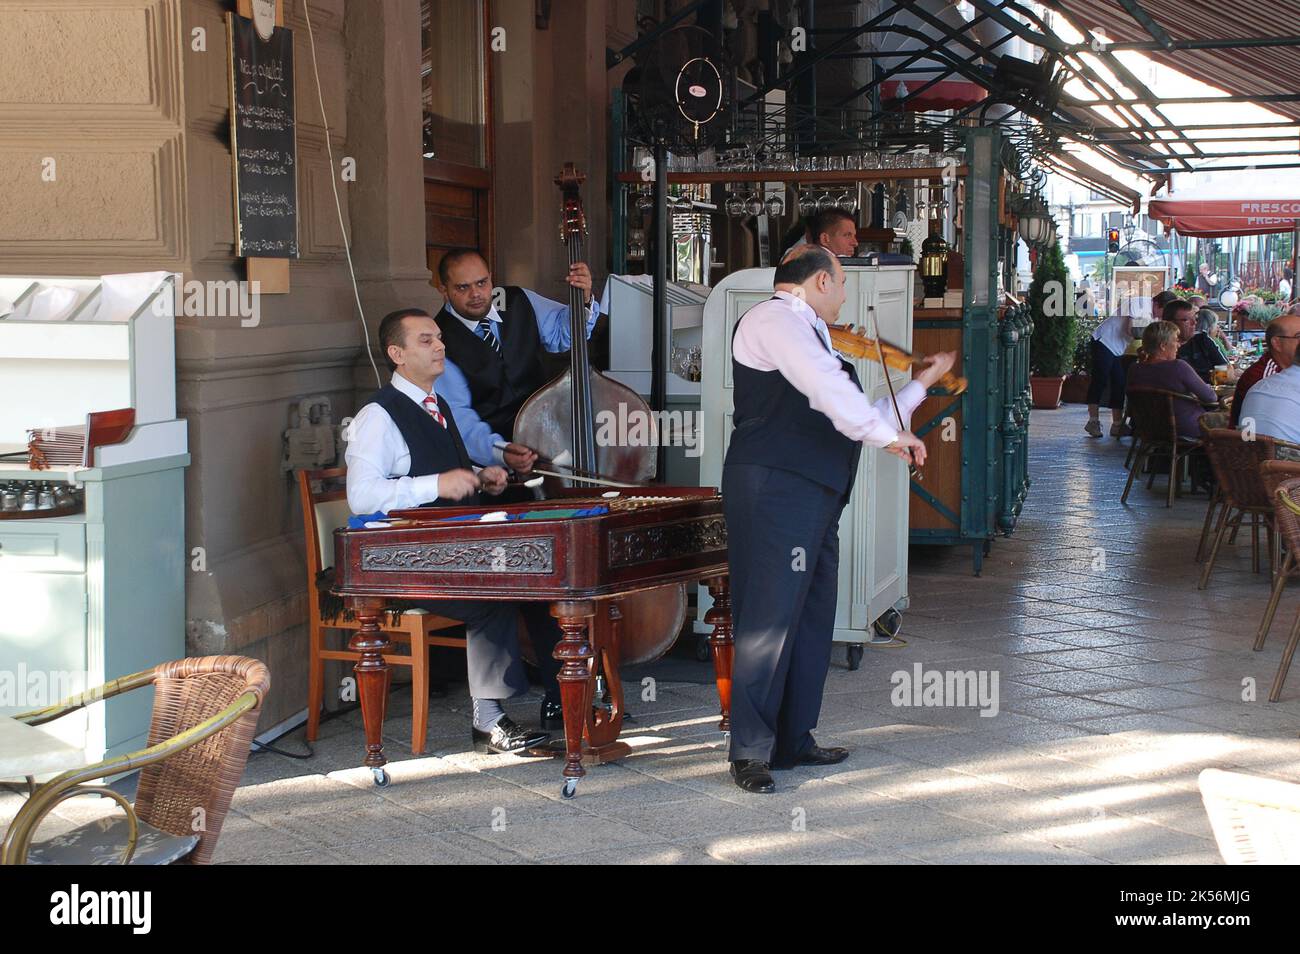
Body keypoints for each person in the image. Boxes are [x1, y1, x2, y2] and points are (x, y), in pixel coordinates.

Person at [721, 244, 951, 794]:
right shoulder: (774, 319)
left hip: (816, 492)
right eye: (843, 282)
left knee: (811, 614)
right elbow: (829, 390)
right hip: (775, 487)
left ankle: (794, 737)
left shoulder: (813, 334)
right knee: (770, 618)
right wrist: (891, 435)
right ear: (820, 282)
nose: (846, 294)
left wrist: (923, 384)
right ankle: (750, 750)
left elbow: (859, 414)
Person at [345, 308, 556, 754]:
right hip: (398, 557)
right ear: (396, 353)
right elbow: (361, 497)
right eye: (426, 340)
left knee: (541, 578)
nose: (440, 346)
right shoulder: (377, 417)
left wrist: (483, 475)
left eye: (439, 338)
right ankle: (489, 723)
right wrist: (437, 485)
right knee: (492, 594)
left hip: (449, 548)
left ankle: (563, 699)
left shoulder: (438, 404)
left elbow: (444, 468)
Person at [432, 247, 598, 474]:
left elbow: (564, 335)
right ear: (443, 289)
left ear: (491, 278)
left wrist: (584, 298)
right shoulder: (439, 339)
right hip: (492, 468)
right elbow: (460, 419)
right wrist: (503, 452)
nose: (476, 294)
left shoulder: (518, 299)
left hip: (550, 441)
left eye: (482, 283)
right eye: (463, 287)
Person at [1127, 320, 1218, 438]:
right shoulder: (1178, 367)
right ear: (1163, 346)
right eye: (1175, 340)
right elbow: (1211, 397)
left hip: (1147, 429)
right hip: (1186, 428)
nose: (1179, 345)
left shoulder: (1134, 369)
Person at [1230, 312, 1300, 426]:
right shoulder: (1263, 378)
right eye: (1298, 336)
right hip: (1256, 441)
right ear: (1277, 343)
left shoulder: (1290, 371)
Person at [1084, 312, 1132, 438]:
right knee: (1100, 380)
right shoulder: (1141, 303)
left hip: (1117, 348)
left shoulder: (1154, 314)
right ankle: (1093, 421)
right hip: (1104, 341)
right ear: (1159, 305)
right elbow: (1131, 330)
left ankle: (1117, 424)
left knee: (1119, 382)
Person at [1179, 308, 1237, 384]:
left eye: (1195, 319)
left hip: (1205, 390)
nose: (1194, 323)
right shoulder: (1170, 346)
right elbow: (1224, 374)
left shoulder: (1203, 339)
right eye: (1186, 320)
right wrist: (1212, 377)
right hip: (1200, 392)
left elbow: (1224, 368)